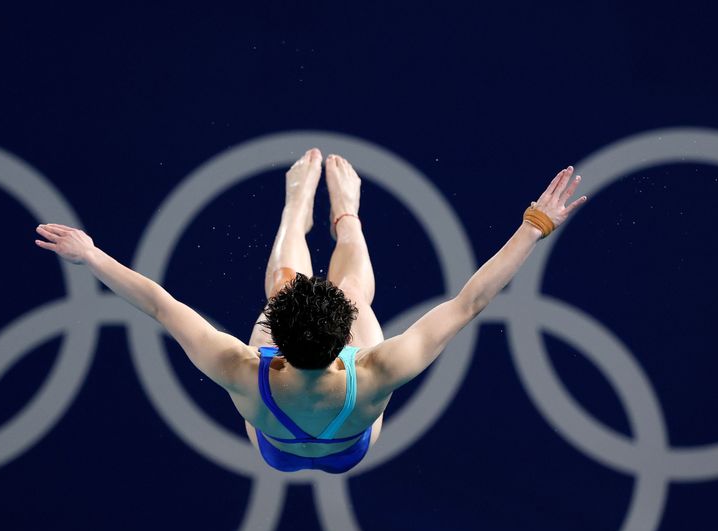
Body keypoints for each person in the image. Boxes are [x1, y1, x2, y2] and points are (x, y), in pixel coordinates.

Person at [34, 148, 586, 473]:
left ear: (273, 340)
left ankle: (296, 210)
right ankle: (347, 216)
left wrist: (90, 255)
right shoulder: (376, 371)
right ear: (343, 340)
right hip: (352, 442)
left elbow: (159, 303)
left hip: (275, 445)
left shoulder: (239, 368)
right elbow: (471, 303)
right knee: (355, 292)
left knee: (283, 284)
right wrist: (534, 226)